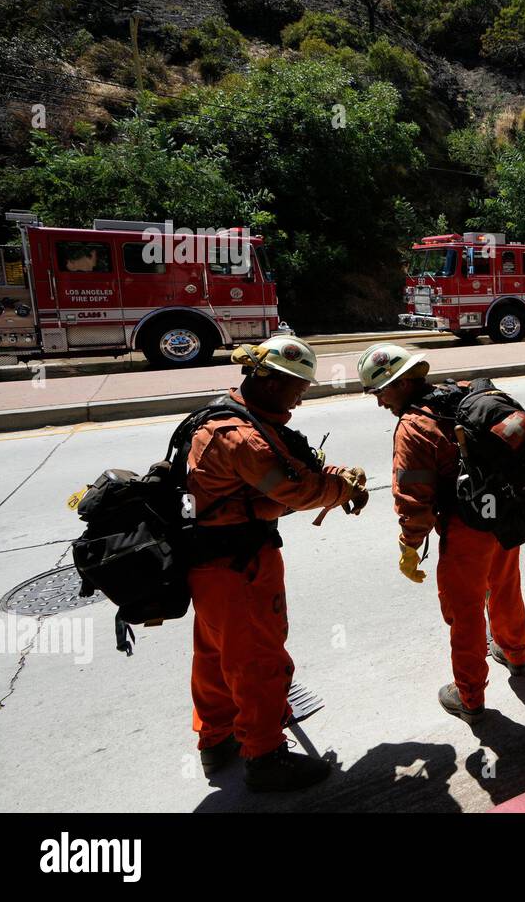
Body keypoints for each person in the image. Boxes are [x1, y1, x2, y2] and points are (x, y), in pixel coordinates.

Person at [186, 335, 369, 792]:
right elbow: (297, 490)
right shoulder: (243, 437)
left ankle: (217, 741)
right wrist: (343, 489)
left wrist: (331, 475)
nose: (301, 394)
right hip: (240, 566)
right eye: (296, 386)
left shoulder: (227, 414)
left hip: (209, 564)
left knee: (215, 655)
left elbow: (290, 471)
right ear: (266, 380)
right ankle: (265, 757)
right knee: (259, 660)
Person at [358, 344, 525, 723]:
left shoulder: (413, 427)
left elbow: (412, 497)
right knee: (505, 585)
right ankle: (515, 654)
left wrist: (410, 545)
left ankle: (469, 697)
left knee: (465, 610)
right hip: (504, 512)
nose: (379, 402)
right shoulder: (465, 391)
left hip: (466, 525)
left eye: (380, 391)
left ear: (402, 383)